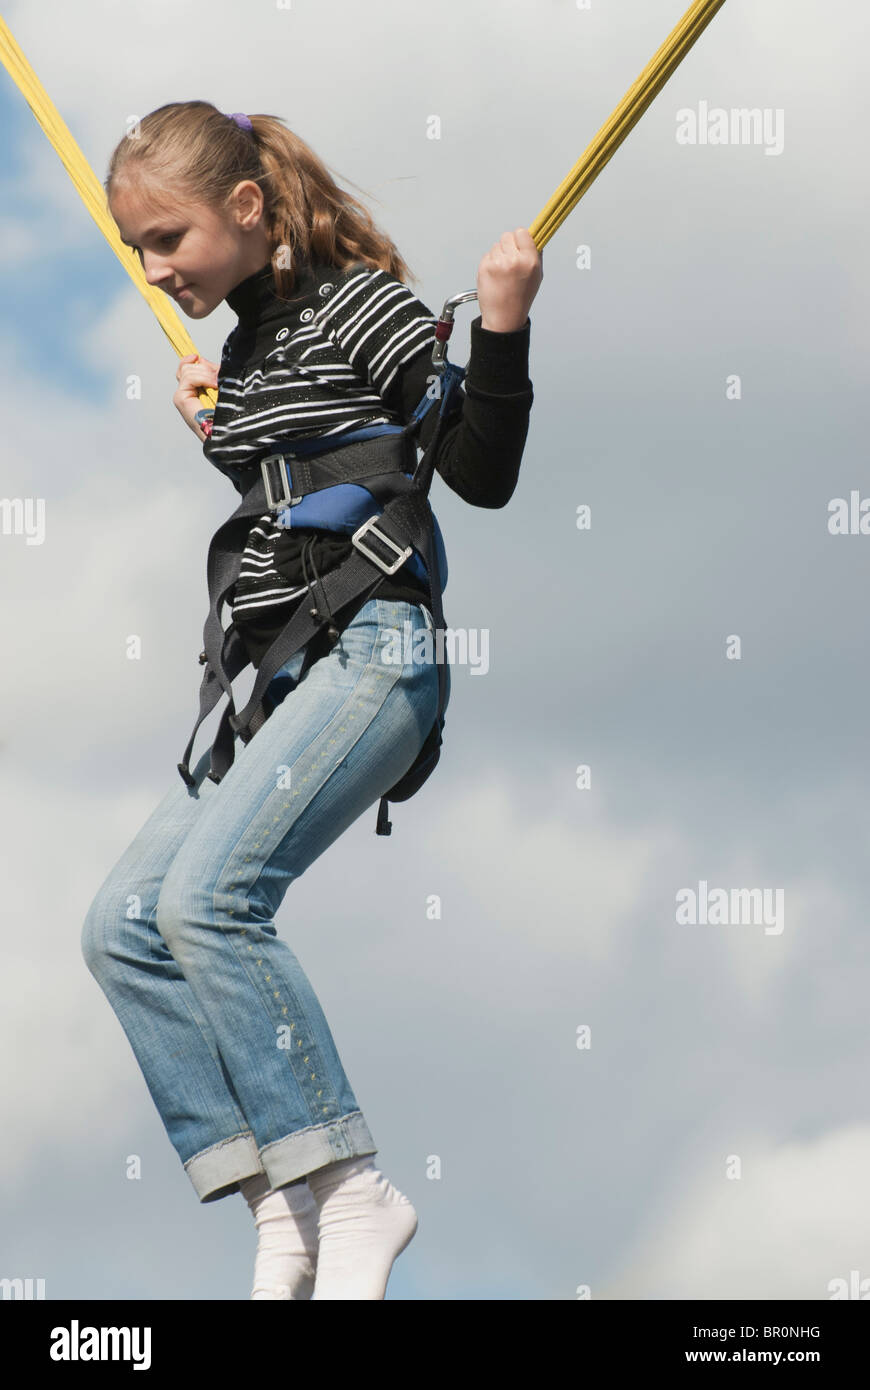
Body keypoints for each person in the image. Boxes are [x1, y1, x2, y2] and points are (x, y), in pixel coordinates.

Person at [81, 100, 541, 1300]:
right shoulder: (244, 353)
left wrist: (500, 327)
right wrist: (219, 434)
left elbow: (477, 473)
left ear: (244, 209)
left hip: (378, 655)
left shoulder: (363, 305)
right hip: (284, 686)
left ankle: (351, 1187)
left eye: (169, 239)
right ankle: (280, 1195)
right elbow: (300, 488)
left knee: (211, 901)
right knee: (126, 926)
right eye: (138, 250)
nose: (156, 268)